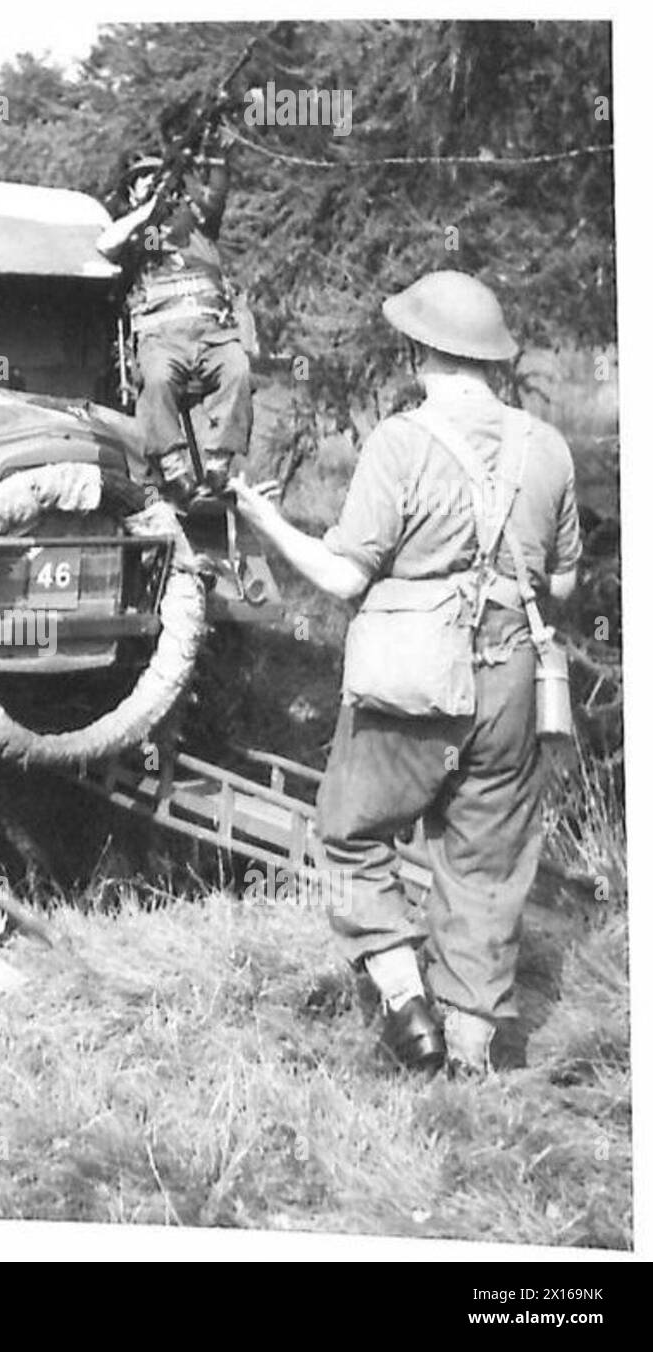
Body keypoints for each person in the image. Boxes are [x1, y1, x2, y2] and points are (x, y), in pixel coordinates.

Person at [229, 270, 581, 1077]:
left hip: (411, 680)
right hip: (513, 684)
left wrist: (268, 520)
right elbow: (561, 587)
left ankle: (404, 1002)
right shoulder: (548, 447)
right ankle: (470, 1047)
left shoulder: (400, 442)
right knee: (486, 867)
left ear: (422, 351)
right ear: (490, 361)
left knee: (353, 832)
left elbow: (346, 579)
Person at [96, 148, 253, 504]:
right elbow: (105, 245)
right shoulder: (133, 234)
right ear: (131, 193)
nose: (150, 183)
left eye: (156, 176)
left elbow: (216, 192)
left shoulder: (196, 224)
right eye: (142, 179)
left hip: (214, 335)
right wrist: (146, 213)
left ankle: (217, 465)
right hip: (163, 340)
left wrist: (218, 151)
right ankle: (173, 469)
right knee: (158, 379)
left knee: (238, 370)